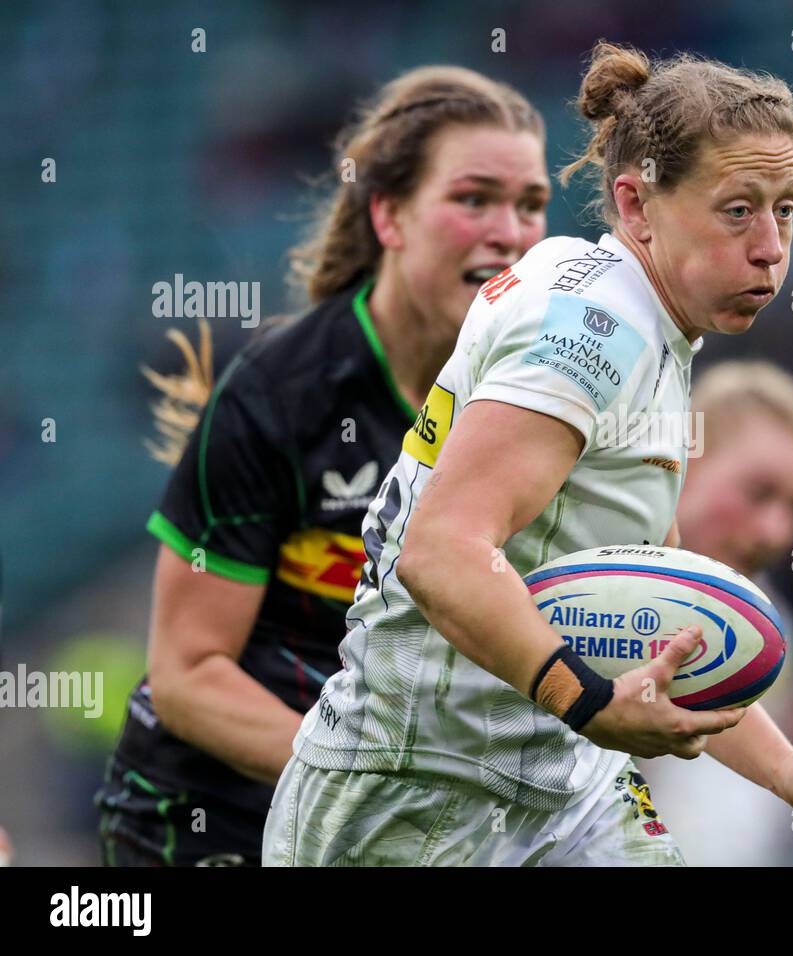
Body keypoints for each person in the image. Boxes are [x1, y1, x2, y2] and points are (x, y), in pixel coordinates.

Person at [264, 41, 793, 868]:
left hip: (555, 785)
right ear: (636, 206)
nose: (771, 246)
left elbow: (655, 602)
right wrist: (584, 702)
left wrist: (790, 771)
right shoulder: (597, 329)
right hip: (414, 796)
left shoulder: (640, 318)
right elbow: (442, 552)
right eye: (738, 210)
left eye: (787, 208)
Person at [95, 66, 549, 866]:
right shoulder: (279, 394)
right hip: (210, 820)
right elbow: (188, 674)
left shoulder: (544, 406)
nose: (509, 231)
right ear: (389, 215)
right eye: (473, 199)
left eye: (530, 205)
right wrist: (379, 780)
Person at [637, 360, 793, 865]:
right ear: (687, 456)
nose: (776, 531)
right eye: (758, 492)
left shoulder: (771, 617)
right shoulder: (598, 590)